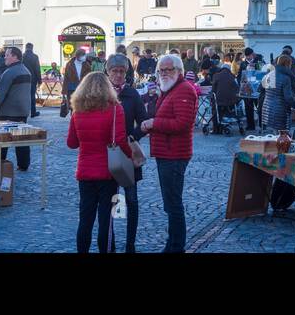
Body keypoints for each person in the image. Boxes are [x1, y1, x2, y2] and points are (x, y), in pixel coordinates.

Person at [65, 71, 131, 253]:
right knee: (106, 221)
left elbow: (71, 143)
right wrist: (132, 157)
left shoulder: (77, 111)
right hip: (108, 173)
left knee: (85, 220)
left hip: (85, 172)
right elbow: (120, 140)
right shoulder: (115, 109)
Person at [141, 53, 197, 252]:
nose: (164, 73)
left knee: (173, 204)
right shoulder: (169, 89)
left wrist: (155, 123)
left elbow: (182, 124)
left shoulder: (183, 90)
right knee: (170, 203)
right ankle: (172, 244)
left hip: (174, 154)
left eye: (168, 69)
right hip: (167, 152)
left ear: (179, 71)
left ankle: (176, 247)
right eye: (161, 70)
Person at [106, 54, 146, 252]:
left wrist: (133, 137)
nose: (118, 75)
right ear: (108, 71)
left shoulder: (132, 94)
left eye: (122, 71)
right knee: (112, 199)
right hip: (107, 154)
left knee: (131, 199)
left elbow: (144, 122)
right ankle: (110, 242)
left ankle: (130, 243)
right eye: (115, 71)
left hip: (128, 155)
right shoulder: (101, 93)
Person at [0, 46, 33, 170]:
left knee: (1, 139)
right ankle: (23, 164)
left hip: (7, 111)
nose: (5, 57)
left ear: (15, 56)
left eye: (8, 54)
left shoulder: (9, 72)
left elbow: (1, 92)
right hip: (22, 111)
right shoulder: (26, 70)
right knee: (21, 140)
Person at [260, 53, 295, 133]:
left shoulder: (268, 75)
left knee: (272, 135)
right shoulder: (286, 78)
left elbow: (260, 89)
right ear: (287, 64)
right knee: (282, 136)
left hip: (267, 108)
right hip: (280, 109)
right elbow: (288, 97)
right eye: (290, 64)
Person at [61, 47, 90, 118]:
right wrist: (64, 91)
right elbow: (66, 78)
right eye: (83, 55)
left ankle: (80, 118)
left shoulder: (87, 64)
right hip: (71, 87)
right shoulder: (70, 64)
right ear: (78, 56)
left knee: (82, 105)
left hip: (83, 88)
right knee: (72, 106)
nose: (84, 57)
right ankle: (73, 119)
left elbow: (89, 77)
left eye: (85, 55)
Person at [22, 43, 42, 118]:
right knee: (32, 96)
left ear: (25, 48)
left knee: (23, 95)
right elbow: (37, 69)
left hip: (23, 79)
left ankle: (23, 112)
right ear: (32, 48)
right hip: (32, 79)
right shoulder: (35, 57)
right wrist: (39, 80)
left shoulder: (22, 56)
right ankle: (33, 112)